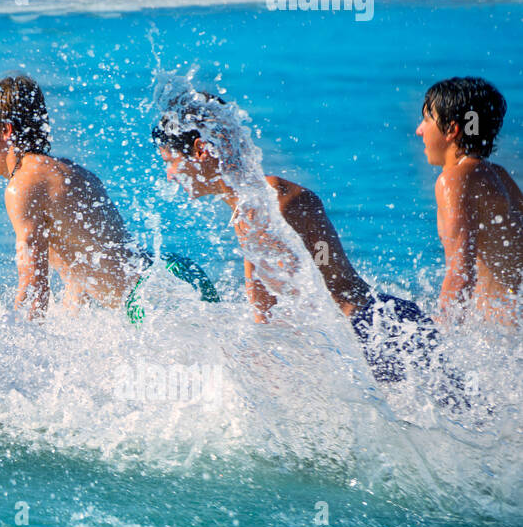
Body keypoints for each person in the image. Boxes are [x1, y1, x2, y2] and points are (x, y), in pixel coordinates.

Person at [152, 93, 466, 406]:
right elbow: (267, 313)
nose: (168, 175)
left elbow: (282, 308)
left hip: (373, 332)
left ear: (200, 150)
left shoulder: (268, 201)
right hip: (378, 326)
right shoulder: (251, 207)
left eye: (170, 161)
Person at [0, 74, 218, 321]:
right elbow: (78, 273)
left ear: (6, 130)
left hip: (153, 299)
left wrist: (14, 345)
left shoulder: (22, 185)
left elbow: (34, 289)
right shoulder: (65, 171)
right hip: (174, 274)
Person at [416, 77, 523, 325]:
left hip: (499, 337)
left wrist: (441, 333)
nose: (419, 130)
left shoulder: (453, 181)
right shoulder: (500, 176)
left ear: (452, 130)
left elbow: (460, 271)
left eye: (426, 120)